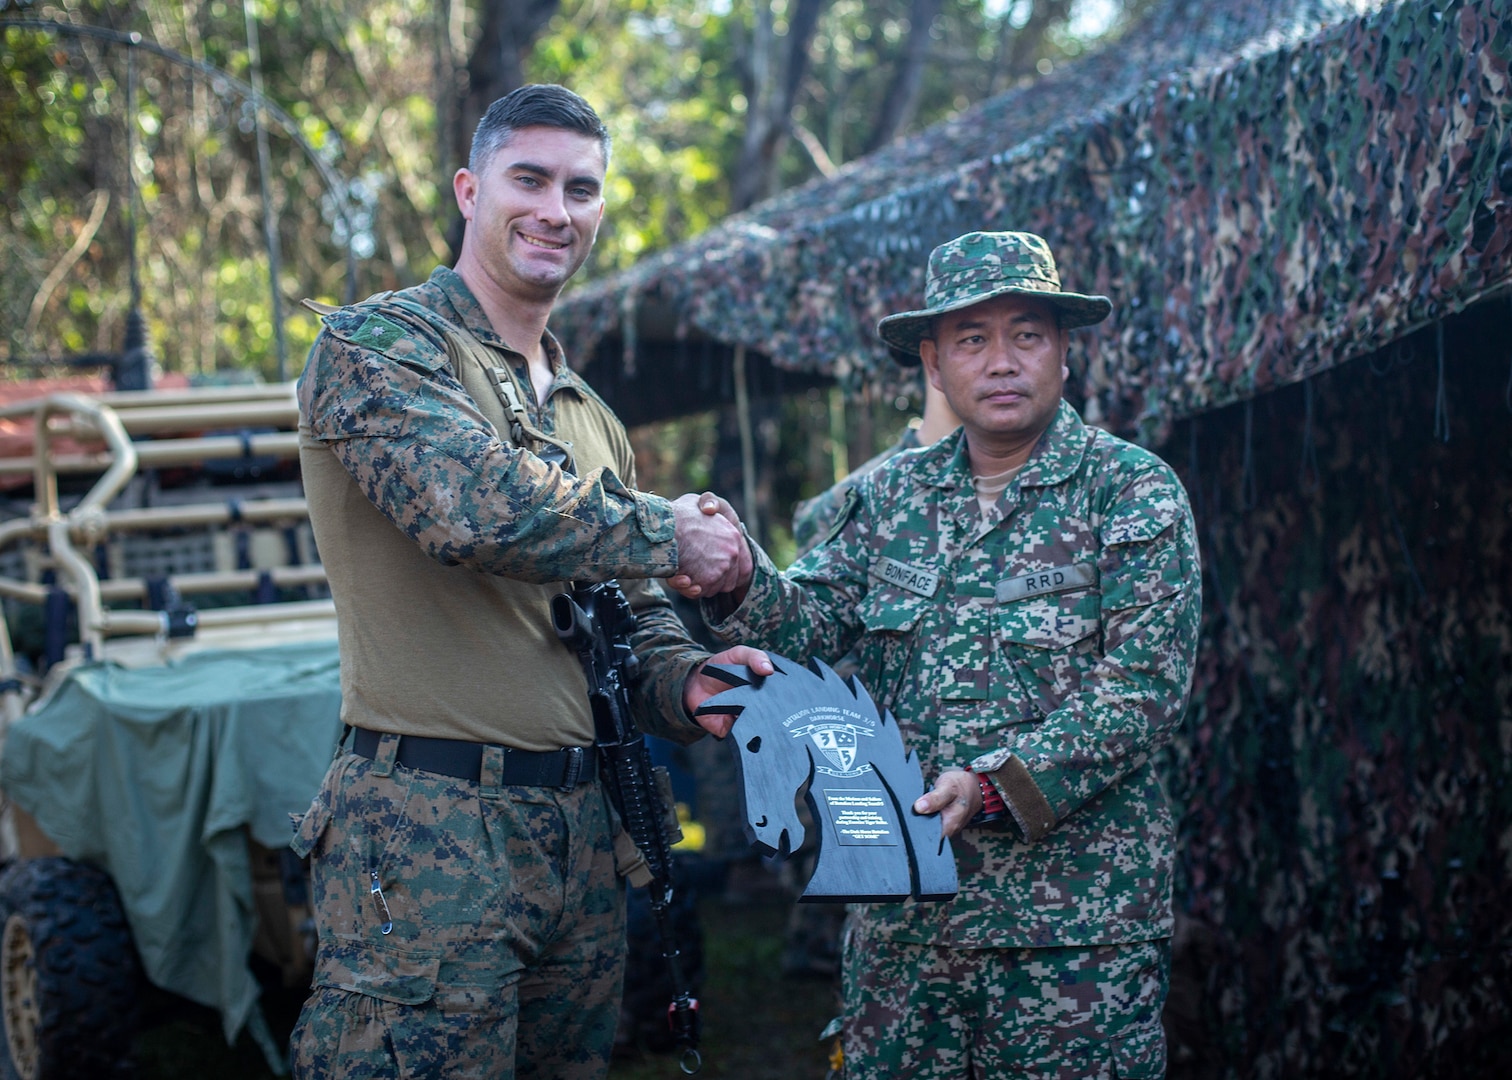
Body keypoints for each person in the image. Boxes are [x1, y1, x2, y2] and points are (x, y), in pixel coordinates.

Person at [289, 83, 770, 1079]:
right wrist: (671, 530)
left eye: (583, 190)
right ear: (471, 191)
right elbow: (473, 510)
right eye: (532, 179)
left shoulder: (589, 412)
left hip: (581, 831)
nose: (559, 210)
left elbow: (627, 616)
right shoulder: (380, 346)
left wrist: (688, 685)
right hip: (426, 821)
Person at [676, 231, 1201, 1078]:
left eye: (1027, 334)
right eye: (971, 339)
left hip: (1072, 934)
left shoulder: (1131, 491)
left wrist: (994, 785)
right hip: (904, 921)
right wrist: (741, 576)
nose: (1002, 361)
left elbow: (1144, 689)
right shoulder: (889, 497)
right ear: (933, 362)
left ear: (1062, 351)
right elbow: (809, 621)